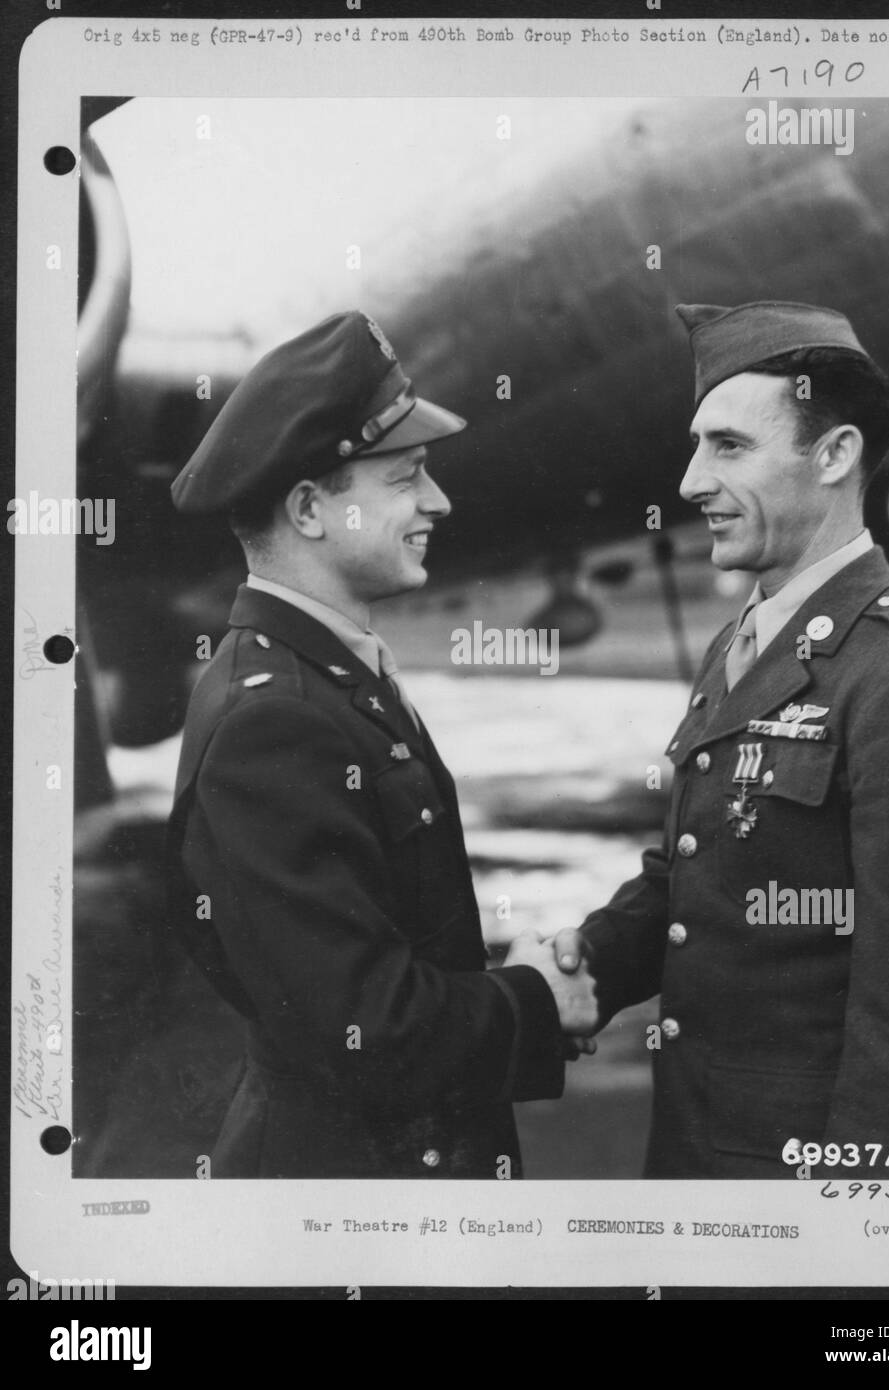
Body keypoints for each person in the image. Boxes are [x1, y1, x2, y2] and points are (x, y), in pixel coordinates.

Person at [166, 310, 596, 1179]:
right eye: (406, 478)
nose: (438, 502)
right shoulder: (275, 721)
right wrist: (537, 1003)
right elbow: (366, 1027)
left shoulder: (325, 675)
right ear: (310, 510)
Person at [553, 301, 889, 1179]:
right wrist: (586, 967)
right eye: (697, 447)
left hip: (800, 1189)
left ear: (835, 454)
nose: (691, 481)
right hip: (700, 1156)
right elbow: (702, 871)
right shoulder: (745, 642)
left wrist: (858, 1228)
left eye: (729, 446)